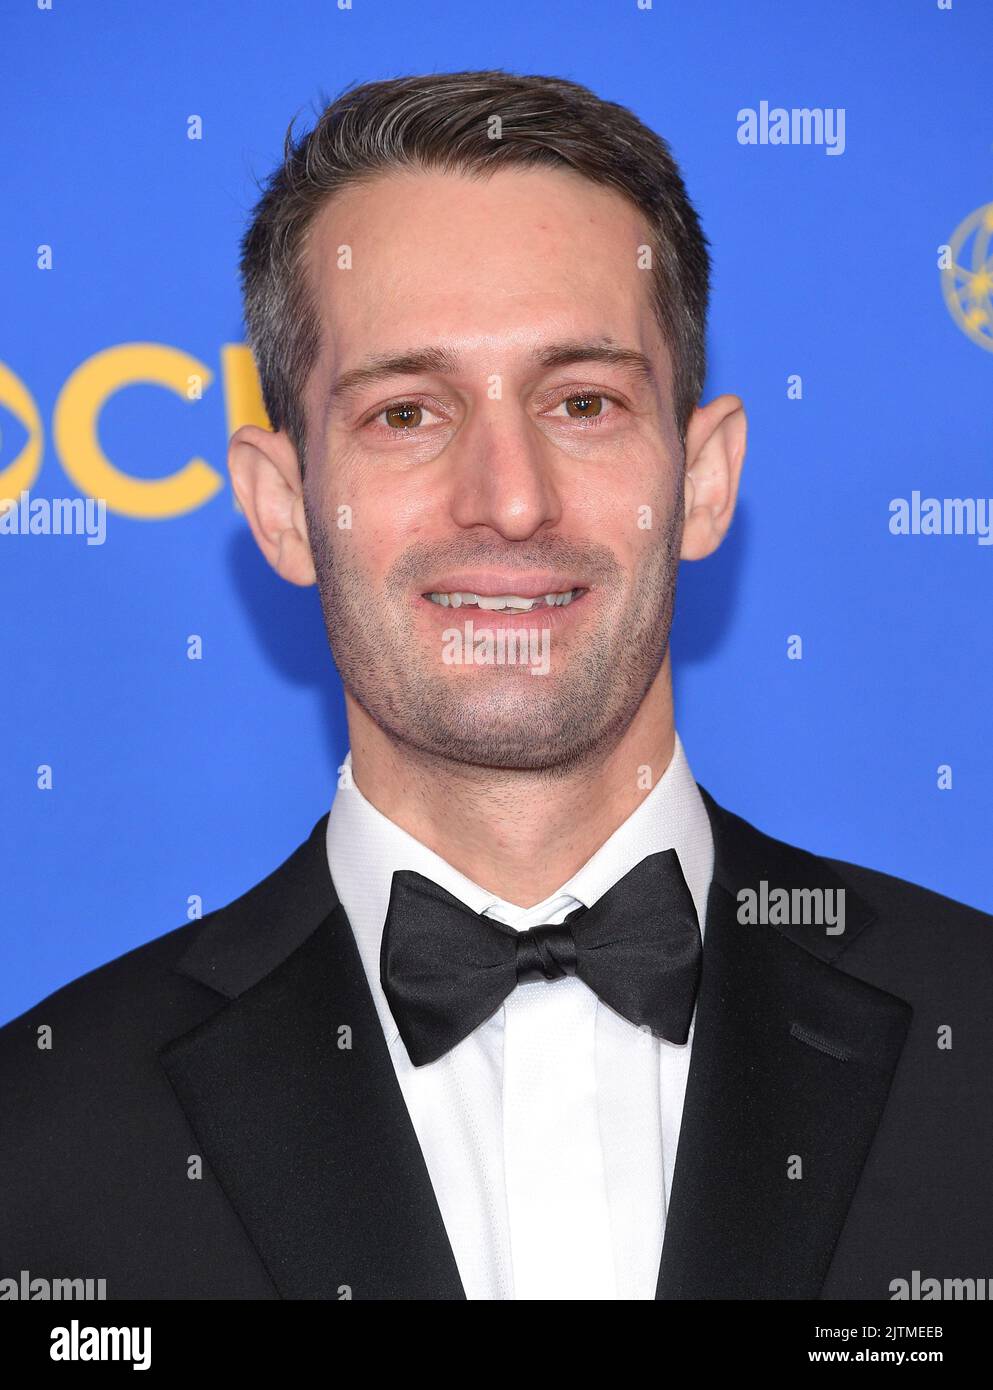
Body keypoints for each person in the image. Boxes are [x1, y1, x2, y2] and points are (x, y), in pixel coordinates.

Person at [1, 69, 991, 1303]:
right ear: (280, 507)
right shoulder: (38, 1137)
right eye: (407, 413)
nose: (509, 499)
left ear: (705, 477)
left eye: (582, 402)